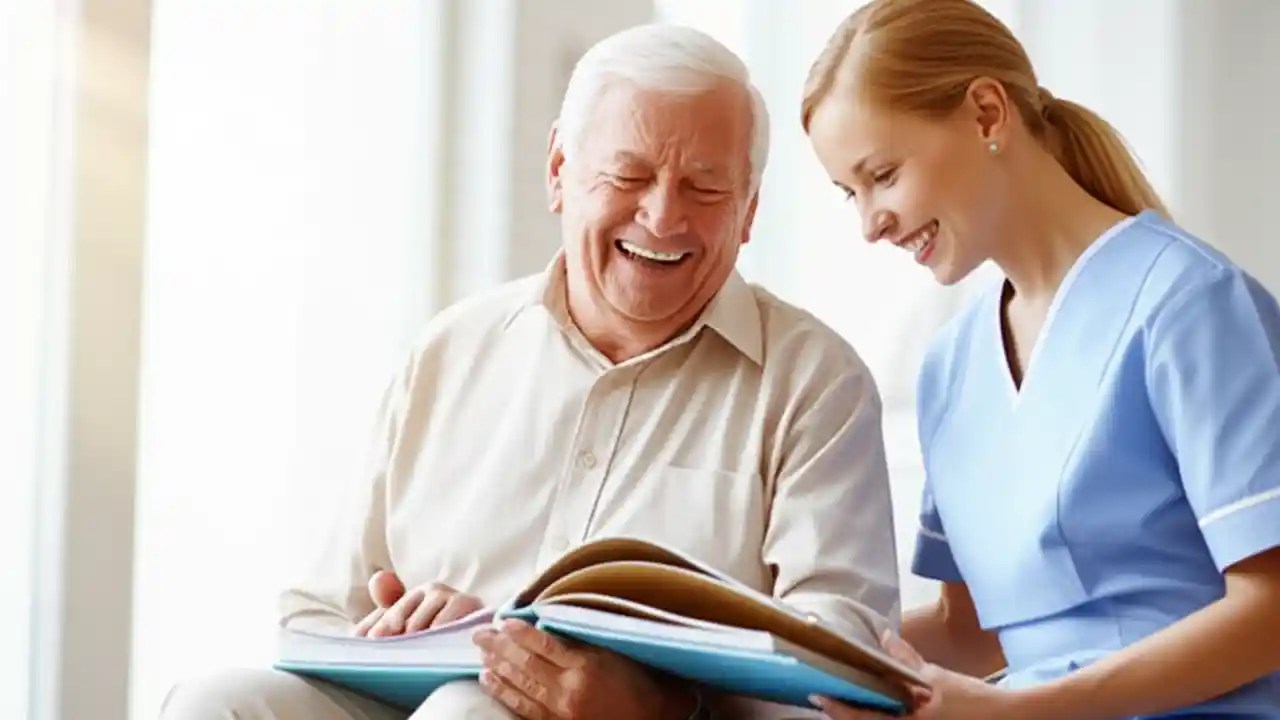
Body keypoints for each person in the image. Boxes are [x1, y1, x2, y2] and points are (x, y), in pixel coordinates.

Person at [160, 23, 901, 720]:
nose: (663, 217)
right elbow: (316, 616)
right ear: (558, 172)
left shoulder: (814, 381)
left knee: (469, 710)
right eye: (628, 174)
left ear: (748, 211)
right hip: (411, 703)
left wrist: (663, 703)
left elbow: (842, 665)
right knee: (213, 701)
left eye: (705, 188)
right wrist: (414, 632)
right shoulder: (450, 352)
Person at [796, 1, 1280, 718]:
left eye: (885, 175)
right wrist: (787, 654)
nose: (871, 224)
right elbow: (970, 632)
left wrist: (1031, 710)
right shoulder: (949, 370)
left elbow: (1270, 610)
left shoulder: (1190, 306)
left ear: (988, 114)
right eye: (850, 194)